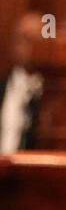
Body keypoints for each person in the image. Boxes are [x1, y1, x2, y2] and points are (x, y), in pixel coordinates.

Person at [0, 13, 44, 154]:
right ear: (13, 44)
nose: (31, 47)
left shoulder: (54, 97)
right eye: (25, 39)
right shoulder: (2, 88)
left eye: (37, 40)